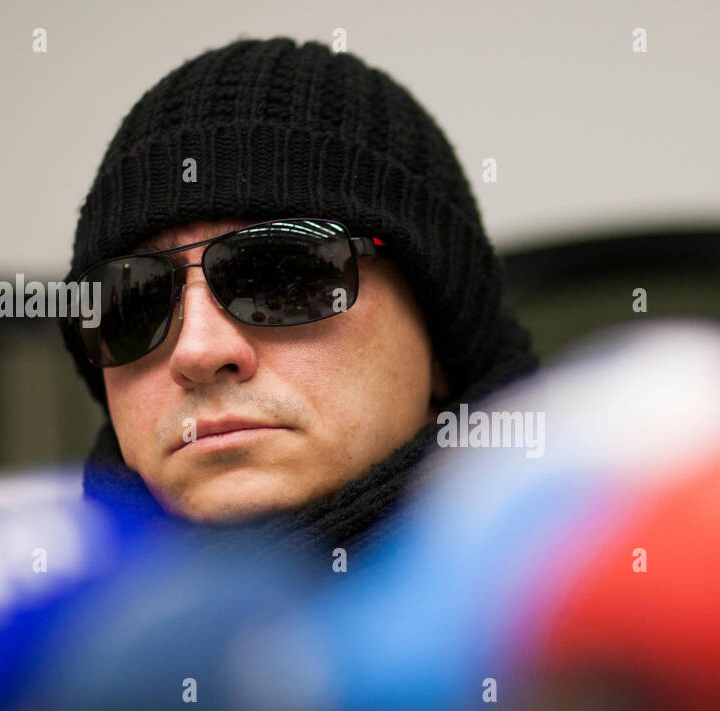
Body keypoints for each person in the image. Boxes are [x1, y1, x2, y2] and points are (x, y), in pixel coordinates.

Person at [57, 36, 538, 557]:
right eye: (135, 301)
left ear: (441, 344)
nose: (198, 352)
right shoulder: (26, 624)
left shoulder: (578, 596)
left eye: (282, 275)